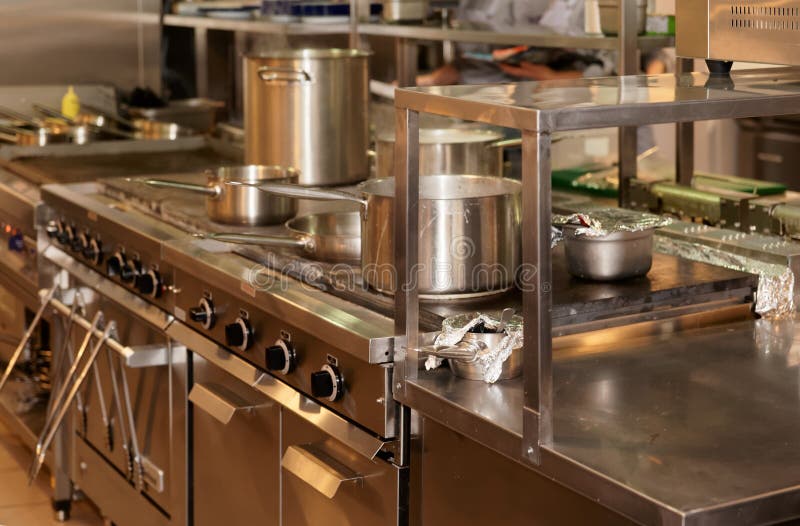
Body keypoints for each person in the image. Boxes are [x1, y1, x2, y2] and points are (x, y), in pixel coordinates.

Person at [417, 0, 614, 86]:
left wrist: (555, 77)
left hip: (564, 109)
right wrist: (430, 81)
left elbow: (618, 69)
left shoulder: (593, 8)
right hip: (492, 104)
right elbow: (479, 58)